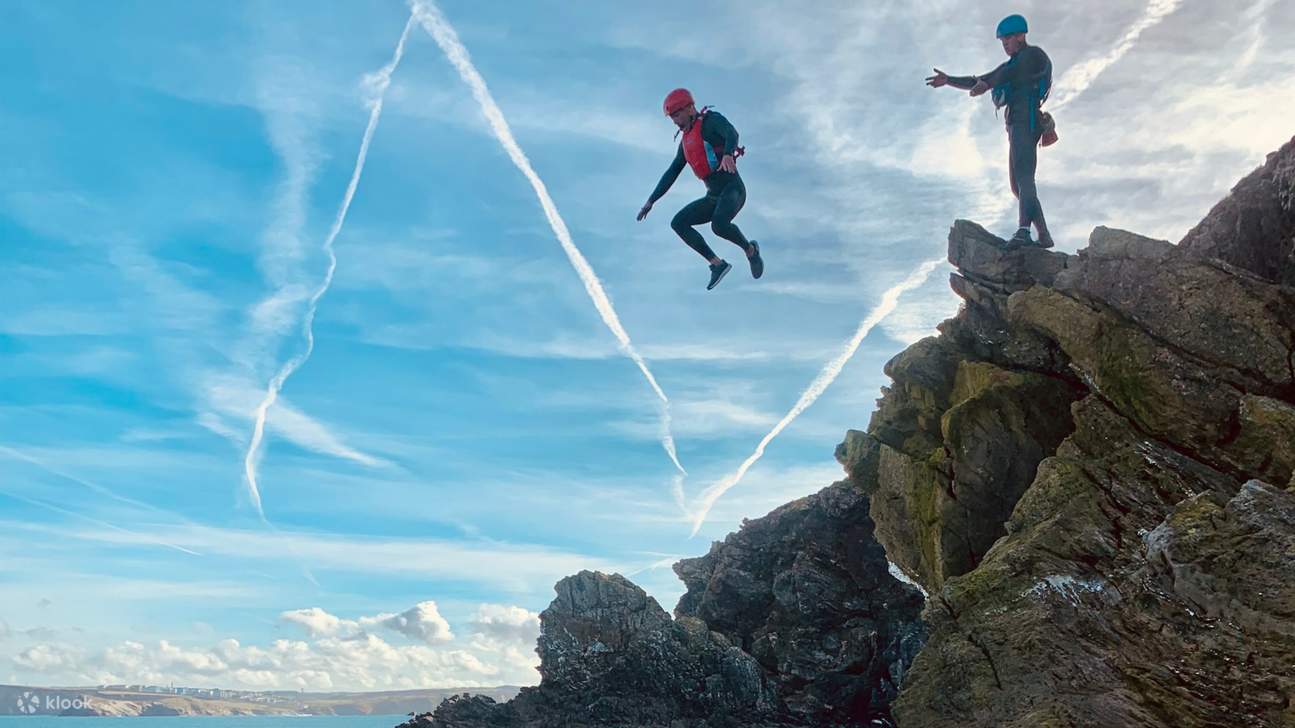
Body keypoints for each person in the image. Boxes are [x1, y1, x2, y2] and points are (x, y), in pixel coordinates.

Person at [926, 14, 1055, 248]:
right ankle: (1044, 235)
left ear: (1021, 35)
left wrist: (986, 85)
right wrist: (949, 81)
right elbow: (983, 79)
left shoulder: (1032, 55)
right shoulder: (1012, 63)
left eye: (1008, 38)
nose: (1005, 43)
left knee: (1025, 178)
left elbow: (999, 77)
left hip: (1027, 121)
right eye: (1002, 40)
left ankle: (1024, 231)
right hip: (1016, 124)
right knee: (1017, 185)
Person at [637, 88, 764, 290]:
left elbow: (732, 133)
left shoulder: (710, 121)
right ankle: (717, 264)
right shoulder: (685, 142)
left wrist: (728, 154)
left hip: (733, 189)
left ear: (690, 108)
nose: (675, 120)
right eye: (672, 117)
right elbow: (672, 171)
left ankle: (750, 250)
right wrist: (651, 200)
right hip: (713, 196)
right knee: (678, 222)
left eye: (677, 114)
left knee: (719, 225)